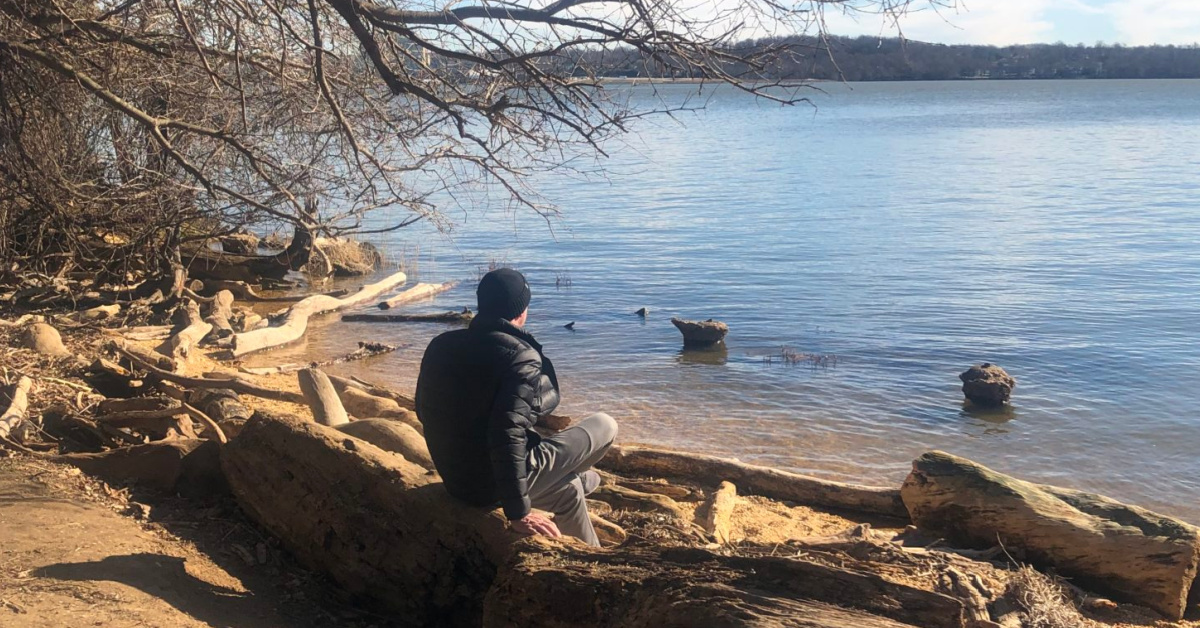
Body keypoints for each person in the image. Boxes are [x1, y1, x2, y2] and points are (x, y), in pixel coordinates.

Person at [414, 268, 618, 546]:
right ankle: (571, 474)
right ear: (521, 311)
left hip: (457, 481)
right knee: (605, 424)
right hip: (494, 485)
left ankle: (591, 559)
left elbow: (423, 411)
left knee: (568, 492)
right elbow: (505, 434)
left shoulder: (440, 345)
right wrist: (518, 513)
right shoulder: (520, 357)